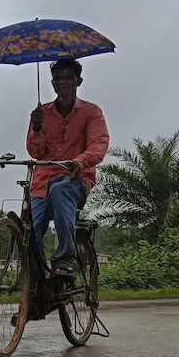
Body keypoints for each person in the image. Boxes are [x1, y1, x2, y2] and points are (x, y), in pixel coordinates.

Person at [26, 58, 109, 277]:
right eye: (57, 78)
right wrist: (36, 128)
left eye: (68, 77)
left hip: (75, 178)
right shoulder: (41, 113)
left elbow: (99, 144)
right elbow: (35, 152)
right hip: (42, 181)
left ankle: (65, 258)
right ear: (52, 83)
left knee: (60, 189)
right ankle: (35, 285)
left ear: (78, 81)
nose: (62, 81)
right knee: (30, 230)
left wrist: (81, 160)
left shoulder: (91, 112)